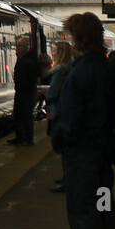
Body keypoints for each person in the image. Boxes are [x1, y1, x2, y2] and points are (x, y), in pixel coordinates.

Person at [52, 13, 115, 229]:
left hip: (83, 159)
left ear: (80, 39)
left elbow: (71, 118)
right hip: (102, 159)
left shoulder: (81, 72)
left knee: (83, 210)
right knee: (102, 209)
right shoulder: (104, 68)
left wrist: (60, 138)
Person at [45, 41, 74, 192]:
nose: (53, 53)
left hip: (59, 112)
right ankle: (67, 178)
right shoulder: (71, 67)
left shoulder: (61, 70)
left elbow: (53, 92)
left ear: (61, 52)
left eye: (55, 51)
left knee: (63, 147)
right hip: (66, 111)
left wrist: (45, 94)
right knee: (66, 149)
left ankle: (67, 181)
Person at [7, 35, 40, 146]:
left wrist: (28, 90)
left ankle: (28, 139)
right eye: (17, 46)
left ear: (24, 48)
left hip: (26, 93)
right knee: (18, 115)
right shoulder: (22, 59)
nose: (16, 48)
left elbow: (31, 79)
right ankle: (20, 137)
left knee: (26, 116)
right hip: (21, 92)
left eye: (19, 46)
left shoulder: (28, 61)